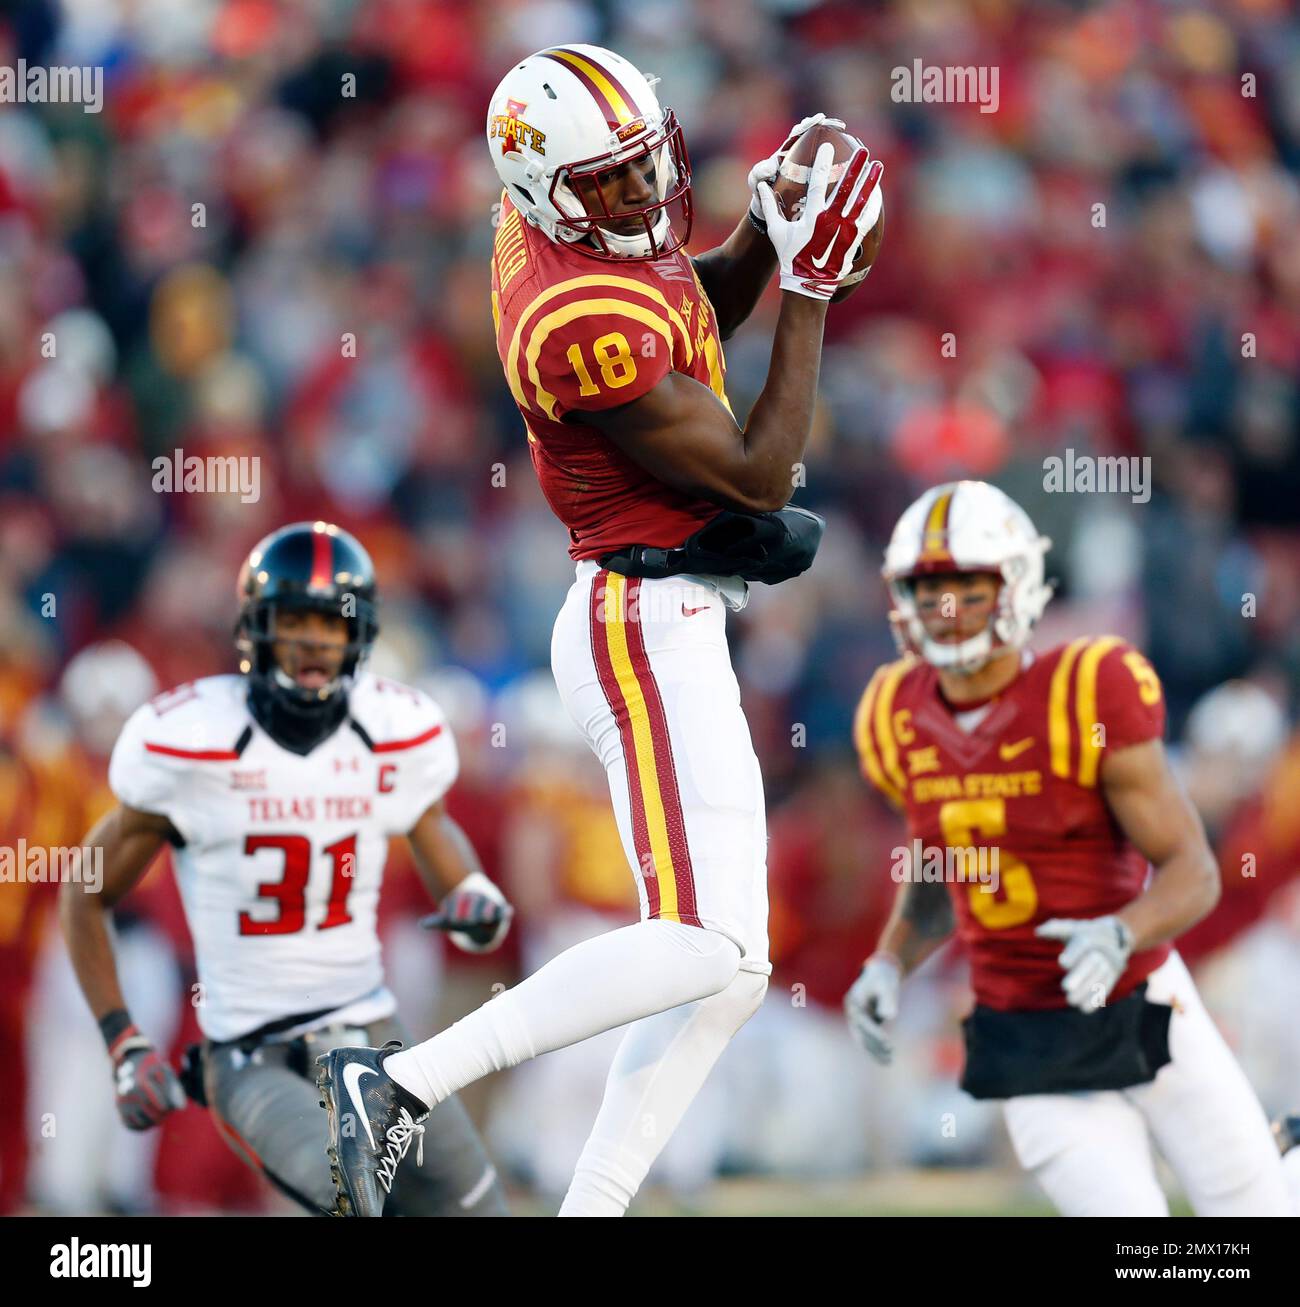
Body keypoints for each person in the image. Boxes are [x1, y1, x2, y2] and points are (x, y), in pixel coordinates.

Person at [317, 43, 883, 1217]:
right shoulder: (574, 314)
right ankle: (404, 1077)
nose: (641, 197)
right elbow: (758, 474)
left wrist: (760, 243)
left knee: (731, 968)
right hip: (640, 618)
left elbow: (684, 311)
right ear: (547, 191)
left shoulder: (574, 232)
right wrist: (811, 289)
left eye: (643, 166)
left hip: (666, 604)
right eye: (612, 184)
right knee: (695, 943)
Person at [844, 479, 1290, 1216]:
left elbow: (1195, 870)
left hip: (1144, 1001)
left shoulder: (1086, 689)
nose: (945, 610)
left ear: (1016, 586)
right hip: (1028, 1040)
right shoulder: (893, 712)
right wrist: (890, 960)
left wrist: (1121, 931)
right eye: (928, 589)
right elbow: (938, 862)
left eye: (967, 586)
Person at [62, 521, 510, 1216]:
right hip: (251, 1048)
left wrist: (471, 889)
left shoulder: (394, 728)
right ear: (254, 628)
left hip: (368, 1024)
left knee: (476, 1206)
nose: (313, 641)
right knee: (354, 1193)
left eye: (332, 624)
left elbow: (430, 820)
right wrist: (123, 1037)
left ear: (359, 635)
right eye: (296, 620)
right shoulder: (192, 739)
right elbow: (85, 886)